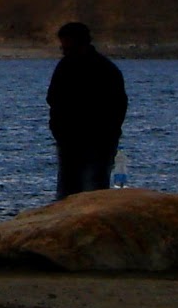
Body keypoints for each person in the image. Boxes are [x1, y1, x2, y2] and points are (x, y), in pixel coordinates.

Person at [46, 21, 128, 199]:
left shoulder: (105, 70)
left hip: (97, 142)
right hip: (71, 140)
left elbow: (117, 107)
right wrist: (58, 129)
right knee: (70, 190)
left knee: (92, 190)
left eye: (67, 46)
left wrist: (109, 134)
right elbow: (53, 99)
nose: (64, 50)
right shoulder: (66, 67)